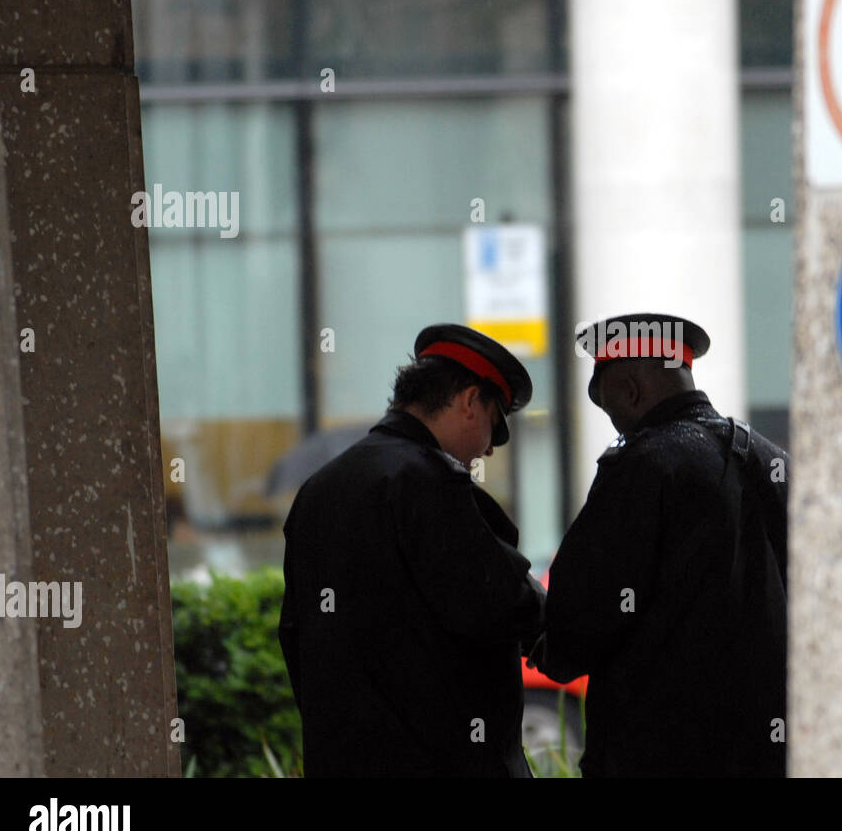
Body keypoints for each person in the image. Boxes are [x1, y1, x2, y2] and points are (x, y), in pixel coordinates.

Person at [278, 323, 545, 777]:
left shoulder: (318, 489)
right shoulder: (430, 482)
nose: (489, 451)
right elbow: (497, 604)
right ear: (468, 402)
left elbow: (294, 634)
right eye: (494, 427)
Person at [532, 313, 789, 776]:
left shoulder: (644, 465)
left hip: (659, 755)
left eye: (608, 404)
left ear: (630, 390)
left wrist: (550, 647)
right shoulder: (772, 463)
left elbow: (582, 611)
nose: (612, 420)